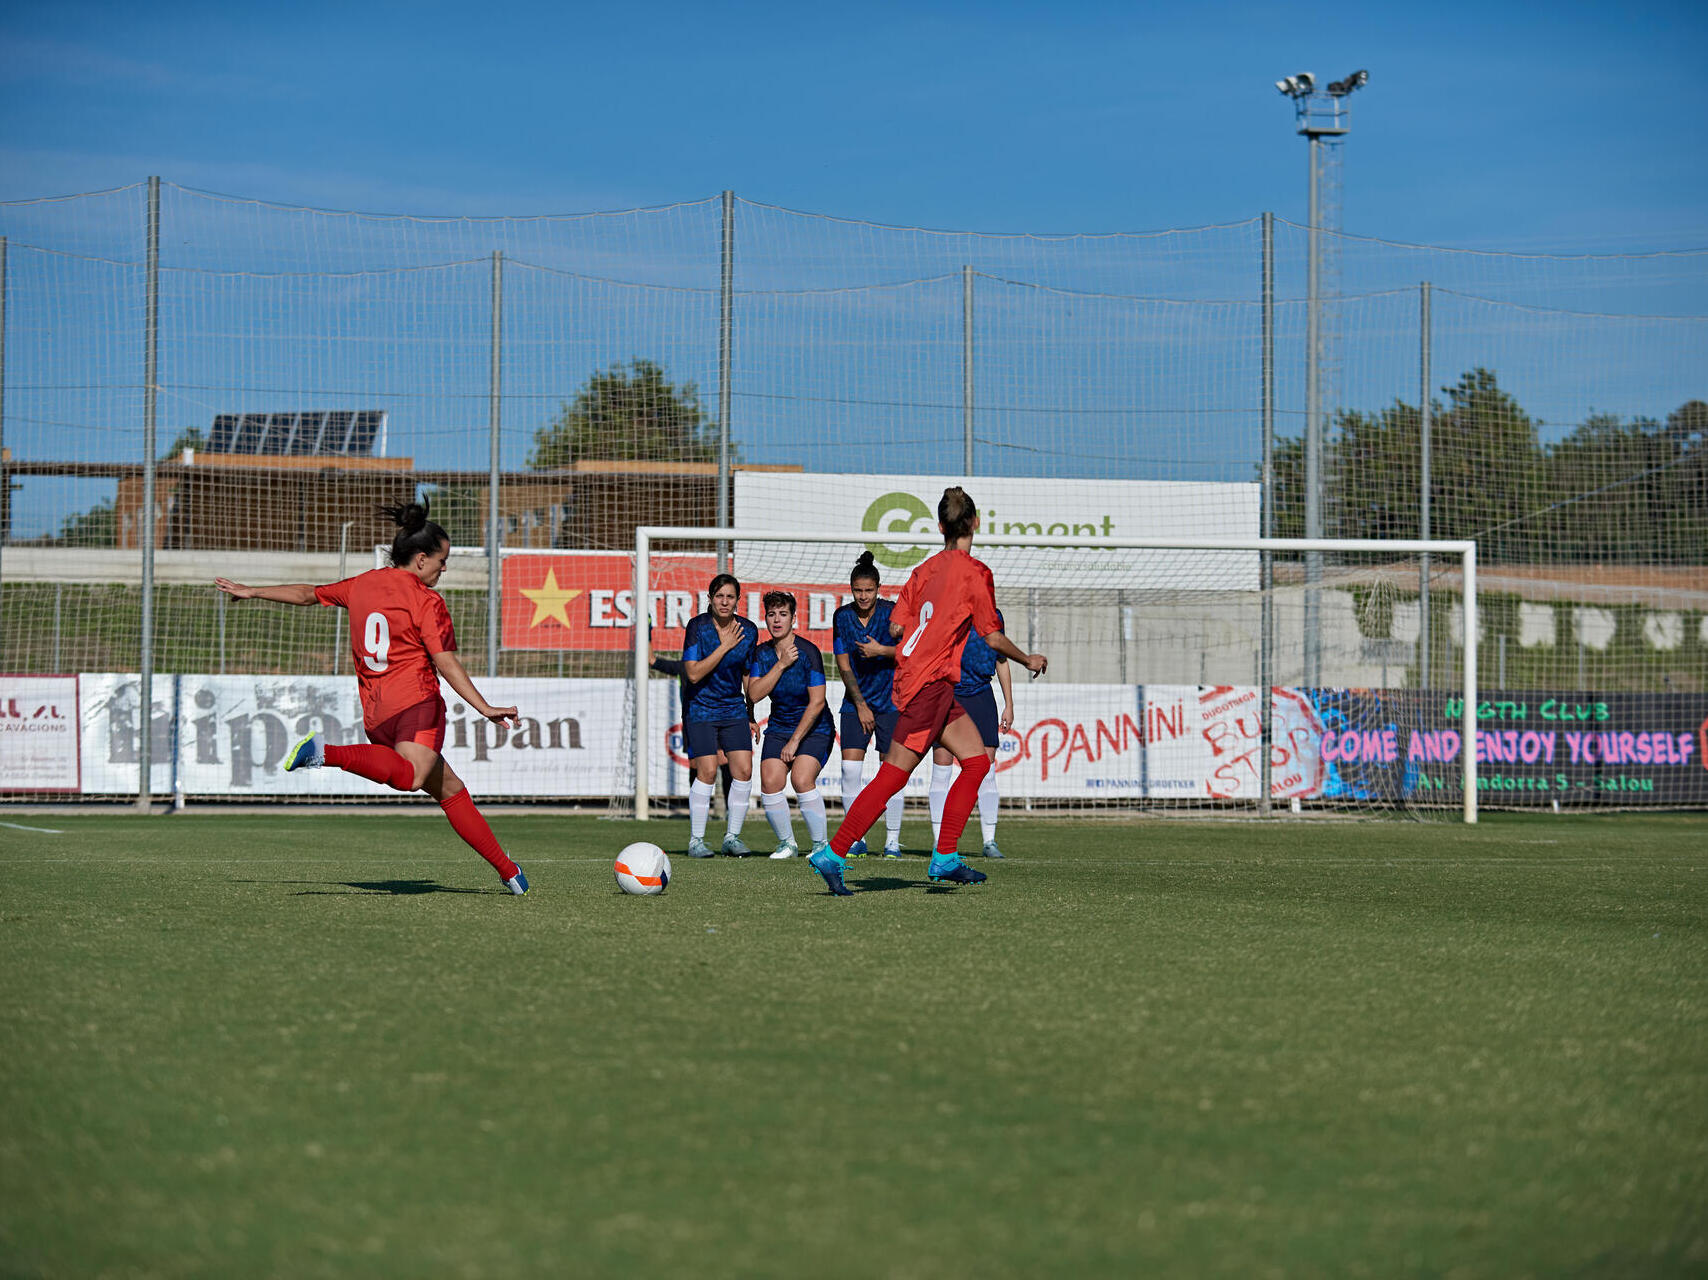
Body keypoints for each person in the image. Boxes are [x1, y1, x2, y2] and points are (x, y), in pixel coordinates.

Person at [213, 500, 530, 895]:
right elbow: (444, 661)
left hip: (377, 713)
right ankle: (325, 754)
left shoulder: (361, 584)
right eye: (441, 560)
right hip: (417, 705)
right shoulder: (427, 601)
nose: (443, 568)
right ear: (419, 559)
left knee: (448, 788)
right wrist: (485, 708)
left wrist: (254, 591)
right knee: (412, 776)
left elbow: (307, 594)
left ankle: (509, 871)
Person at [810, 487, 1047, 897]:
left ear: (939, 527)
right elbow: (991, 636)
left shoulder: (923, 570)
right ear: (975, 523)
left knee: (975, 763)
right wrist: (1028, 660)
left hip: (922, 680)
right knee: (893, 777)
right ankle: (832, 853)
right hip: (930, 686)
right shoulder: (976, 572)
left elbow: (899, 626)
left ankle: (945, 858)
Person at [746, 591, 836, 860]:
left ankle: (821, 846)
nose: (777, 620)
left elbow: (818, 702)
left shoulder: (809, 652)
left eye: (783, 614)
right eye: (772, 614)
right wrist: (782, 664)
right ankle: (787, 844)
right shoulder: (762, 654)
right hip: (780, 726)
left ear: (794, 618)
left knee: (801, 778)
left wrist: (795, 741)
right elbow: (753, 694)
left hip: (814, 727)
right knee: (770, 780)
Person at [680, 573, 759, 857]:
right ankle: (696, 841)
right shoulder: (697, 627)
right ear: (710, 598)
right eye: (719, 596)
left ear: (738, 600)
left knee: (744, 771)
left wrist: (750, 713)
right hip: (700, 707)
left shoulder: (749, 631)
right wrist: (725, 646)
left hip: (733, 708)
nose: (725, 602)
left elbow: (748, 675)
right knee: (708, 771)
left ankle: (732, 838)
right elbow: (693, 672)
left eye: (730, 596)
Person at [832, 551, 904, 858]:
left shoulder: (893, 612)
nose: (863, 596)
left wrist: (881, 651)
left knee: (893, 773)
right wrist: (860, 704)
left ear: (878, 589)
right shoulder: (842, 617)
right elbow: (843, 663)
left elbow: (908, 652)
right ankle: (856, 838)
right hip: (855, 703)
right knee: (850, 771)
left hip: (890, 702)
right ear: (851, 590)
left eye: (869, 590)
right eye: (858, 591)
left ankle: (892, 841)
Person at [928, 607, 1012, 859]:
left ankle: (989, 841)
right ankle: (939, 841)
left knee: (986, 770)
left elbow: (1002, 660)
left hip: (981, 696)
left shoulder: (994, 616)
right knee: (941, 767)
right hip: (949, 693)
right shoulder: (947, 611)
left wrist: (1009, 704)